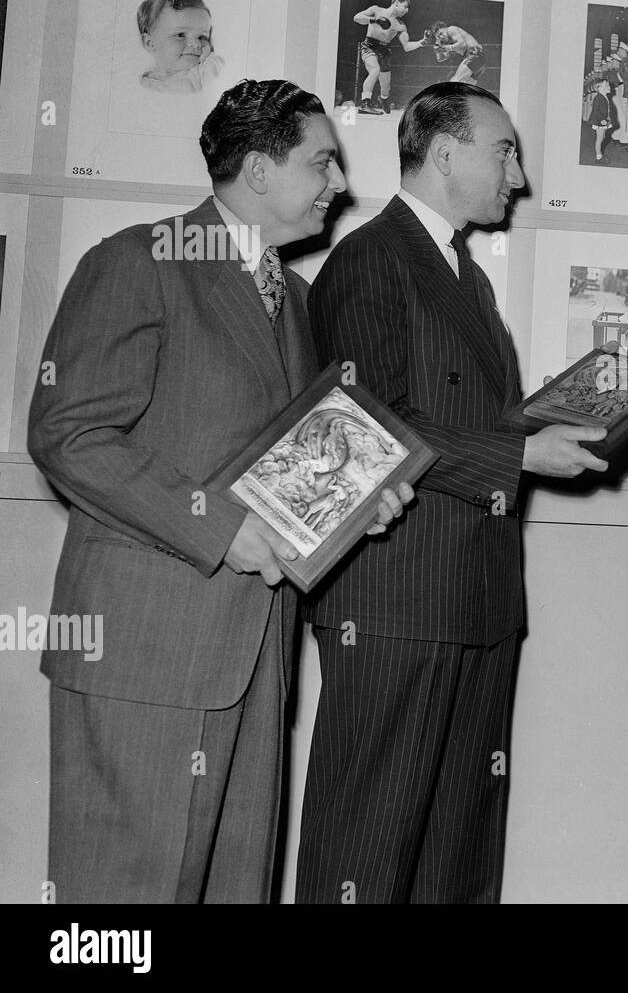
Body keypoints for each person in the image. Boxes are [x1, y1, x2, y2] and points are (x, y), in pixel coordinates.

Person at [28, 78, 410, 903]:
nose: (340, 186)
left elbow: (286, 467)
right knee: (118, 907)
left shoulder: (300, 300)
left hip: (256, 656)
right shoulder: (136, 259)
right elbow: (70, 435)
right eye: (323, 164)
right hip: (147, 652)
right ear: (260, 170)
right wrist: (219, 527)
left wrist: (349, 507)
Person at [297, 81, 608, 904]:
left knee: (457, 845)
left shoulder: (464, 274)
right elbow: (376, 420)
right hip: (398, 596)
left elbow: (454, 414)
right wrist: (521, 455)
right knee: (368, 837)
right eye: (503, 149)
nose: (518, 173)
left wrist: (556, 422)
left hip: (475, 597)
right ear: (444, 153)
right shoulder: (372, 258)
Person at [136, 0, 225, 94]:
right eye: (181, 35)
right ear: (150, 43)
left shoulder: (204, 72)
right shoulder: (143, 86)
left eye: (202, 37)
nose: (196, 44)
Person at [353, 0, 430, 114]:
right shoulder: (376, 10)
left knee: (385, 87)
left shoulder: (401, 26)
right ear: (397, 3)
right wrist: (374, 20)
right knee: (375, 70)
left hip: (384, 51)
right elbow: (357, 17)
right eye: (405, 7)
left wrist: (422, 42)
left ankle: (383, 99)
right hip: (369, 46)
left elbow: (407, 46)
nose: (407, 11)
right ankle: (365, 104)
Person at [589, 77, 614, 161]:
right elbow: (595, 110)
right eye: (606, 85)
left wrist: (607, 117)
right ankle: (599, 156)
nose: (609, 87)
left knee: (602, 137)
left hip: (603, 120)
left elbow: (606, 109)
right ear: (599, 88)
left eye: (608, 85)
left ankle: (599, 154)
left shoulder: (604, 96)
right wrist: (601, 120)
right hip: (598, 121)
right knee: (599, 139)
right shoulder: (598, 98)